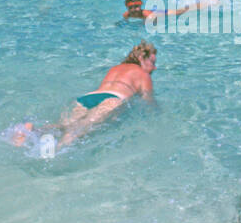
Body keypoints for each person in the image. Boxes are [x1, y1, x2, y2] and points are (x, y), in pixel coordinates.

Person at [12, 41, 156, 150]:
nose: (154, 67)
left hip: (87, 98)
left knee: (64, 125)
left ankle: (33, 130)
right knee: (78, 130)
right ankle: (55, 153)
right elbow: (148, 101)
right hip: (112, 100)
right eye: (152, 62)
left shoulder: (115, 68)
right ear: (142, 58)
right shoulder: (143, 74)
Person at [122, 0, 218, 22]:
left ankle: (208, 2)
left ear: (141, 5)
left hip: (160, 14)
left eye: (136, 6)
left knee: (182, 11)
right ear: (127, 7)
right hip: (153, 12)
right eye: (131, 7)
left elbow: (154, 24)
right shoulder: (127, 14)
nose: (134, 9)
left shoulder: (148, 16)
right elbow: (124, 21)